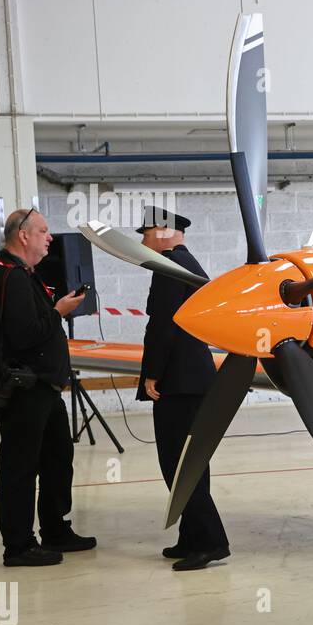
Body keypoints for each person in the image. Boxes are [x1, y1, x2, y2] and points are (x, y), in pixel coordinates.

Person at [0, 208, 97, 567]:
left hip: (42, 385)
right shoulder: (7, 277)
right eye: (43, 231)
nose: (50, 237)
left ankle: (55, 528)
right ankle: (18, 545)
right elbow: (25, 334)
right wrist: (58, 311)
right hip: (23, 385)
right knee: (20, 465)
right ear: (23, 235)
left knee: (57, 455)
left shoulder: (23, 275)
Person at [137, 207, 231, 572]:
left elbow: (164, 327)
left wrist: (151, 374)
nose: (142, 240)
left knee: (178, 465)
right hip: (192, 379)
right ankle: (193, 537)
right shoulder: (187, 263)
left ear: (162, 230)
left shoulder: (171, 268)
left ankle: (211, 542)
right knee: (187, 464)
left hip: (179, 381)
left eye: (146, 232)